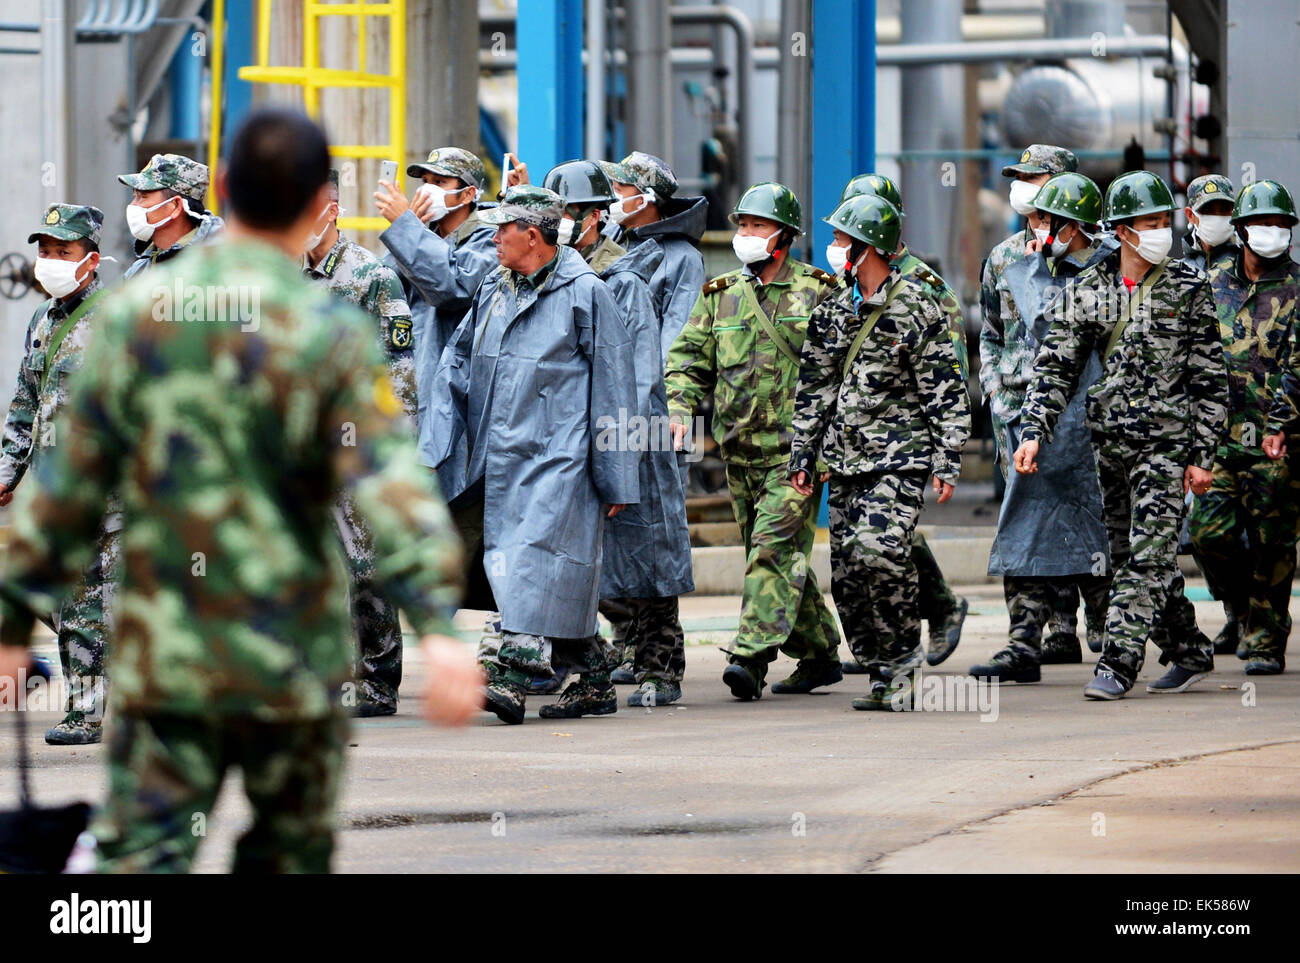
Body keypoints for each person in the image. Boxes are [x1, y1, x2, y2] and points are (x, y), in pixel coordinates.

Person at [0, 109, 481, 872]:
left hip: (169, 653)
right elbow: (392, 485)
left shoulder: (135, 317)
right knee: (289, 856)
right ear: (316, 198)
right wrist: (437, 625)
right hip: (295, 661)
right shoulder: (330, 331)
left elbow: (67, 484)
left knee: (142, 861)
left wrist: (10, 621)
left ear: (220, 189)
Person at [427, 185, 640, 725]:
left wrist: (616, 479)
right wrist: (432, 443)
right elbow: (455, 366)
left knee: (529, 564)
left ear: (534, 235)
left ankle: (510, 678)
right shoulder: (495, 289)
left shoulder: (586, 293)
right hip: (497, 461)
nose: (493, 237)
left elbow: (618, 388)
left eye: (504, 228)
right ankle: (592, 676)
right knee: (533, 574)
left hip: (558, 464)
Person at [1013, 170, 1228, 701]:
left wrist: (1202, 455)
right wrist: (1033, 431)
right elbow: (1056, 367)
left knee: (1150, 554)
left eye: (1164, 222)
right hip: (1111, 447)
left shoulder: (1186, 287)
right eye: (1149, 223)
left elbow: (1210, 379)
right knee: (1128, 553)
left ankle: (1118, 660)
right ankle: (1190, 648)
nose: (1161, 232)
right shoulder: (1089, 289)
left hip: (1167, 447)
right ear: (1123, 230)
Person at [789, 193, 970, 710]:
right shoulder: (831, 312)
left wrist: (947, 458)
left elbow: (945, 390)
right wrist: (803, 454)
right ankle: (879, 665)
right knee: (848, 571)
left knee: (881, 551)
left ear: (870, 247)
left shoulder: (917, 307)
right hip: (845, 460)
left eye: (843, 239)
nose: (834, 247)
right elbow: (815, 389)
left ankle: (903, 666)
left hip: (901, 457)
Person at [665, 182, 842, 701]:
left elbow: (842, 371)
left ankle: (750, 656)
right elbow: (688, 358)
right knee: (779, 555)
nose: (744, 234)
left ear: (783, 236)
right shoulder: (721, 296)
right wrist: (678, 406)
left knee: (769, 550)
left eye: (756, 226)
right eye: (741, 225)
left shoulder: (818, 291)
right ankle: (820, 651)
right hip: (740, 457)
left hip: (797, 457)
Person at [542, 159, 694, 707]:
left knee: (650, 550)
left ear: (594, 217)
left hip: (632, 432)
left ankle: (662, 666)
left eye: (569, 214)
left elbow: (637, 369)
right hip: (583, 433)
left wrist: (617, 451)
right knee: (592, 555)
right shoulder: (560, 276)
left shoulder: (622, 279)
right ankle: (602, 660)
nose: (559, 224)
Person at [971, 172, 1115, 681]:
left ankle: (1107, 630)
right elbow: (991, 332)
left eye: (1041, 199)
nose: (1034, 218)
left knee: (1097, 519)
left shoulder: (1112, 264)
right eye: (1031, 211)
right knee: (1024, 520)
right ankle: (1023, 640)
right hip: (1024, 413)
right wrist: (995, 388)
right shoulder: (1009, 261)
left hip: (1093, 418)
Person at [834, 172, 969, 670]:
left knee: (883, 537)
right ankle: (888, 636)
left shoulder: (923, 288)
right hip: (855, 440)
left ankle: (921, 623)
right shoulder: (849, 279)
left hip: (902, 438)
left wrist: (943, 448)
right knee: (866, 545)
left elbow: (948, 370)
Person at [0, 204, 114, 745]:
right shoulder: (43, 321)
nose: (48, 261)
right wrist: (7, 469)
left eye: (61, 252)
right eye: (44, 251)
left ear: (90, 261)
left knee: (83, 597)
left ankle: (85, 711)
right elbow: (25, 404)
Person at [304, 169, 417, 715]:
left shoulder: (371, 277)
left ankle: (376, 679)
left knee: (366, 568)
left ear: (331, 209)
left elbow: (398, 377)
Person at [1194, 179, 1300, 676]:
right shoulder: (1211, 283)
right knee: (1207, 533)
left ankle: (1265, 641)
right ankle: (1240, 610)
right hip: (1219, 438)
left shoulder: (1297, 289)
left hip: (1277, 442)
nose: (1272, 232)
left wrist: (1281, 424)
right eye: (1262, 223)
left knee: (1271, 542)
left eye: (1281, 224)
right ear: (1240, 229)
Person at [374, 147, 497, 466]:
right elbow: (385, 289)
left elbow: (451, 286)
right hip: (411, 389)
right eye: (424, 181)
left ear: (468, 193)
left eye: (440, 182)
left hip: (456, 399)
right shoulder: (421, 234)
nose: (427, 189)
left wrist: (405, 226)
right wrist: (409, 227)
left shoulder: (488, 239)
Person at [118, 153, 224, 279]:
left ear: (175, 205)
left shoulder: (220, 260)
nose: (133, 205)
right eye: (134, 197)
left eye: (143, 197)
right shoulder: (138, 272)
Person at [1181, 174, 1237, 273]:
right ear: (1190, 215)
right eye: (1207, 210)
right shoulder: (1181, 270)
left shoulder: (1246, 265)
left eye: (1224, 209)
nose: (1217, 217)